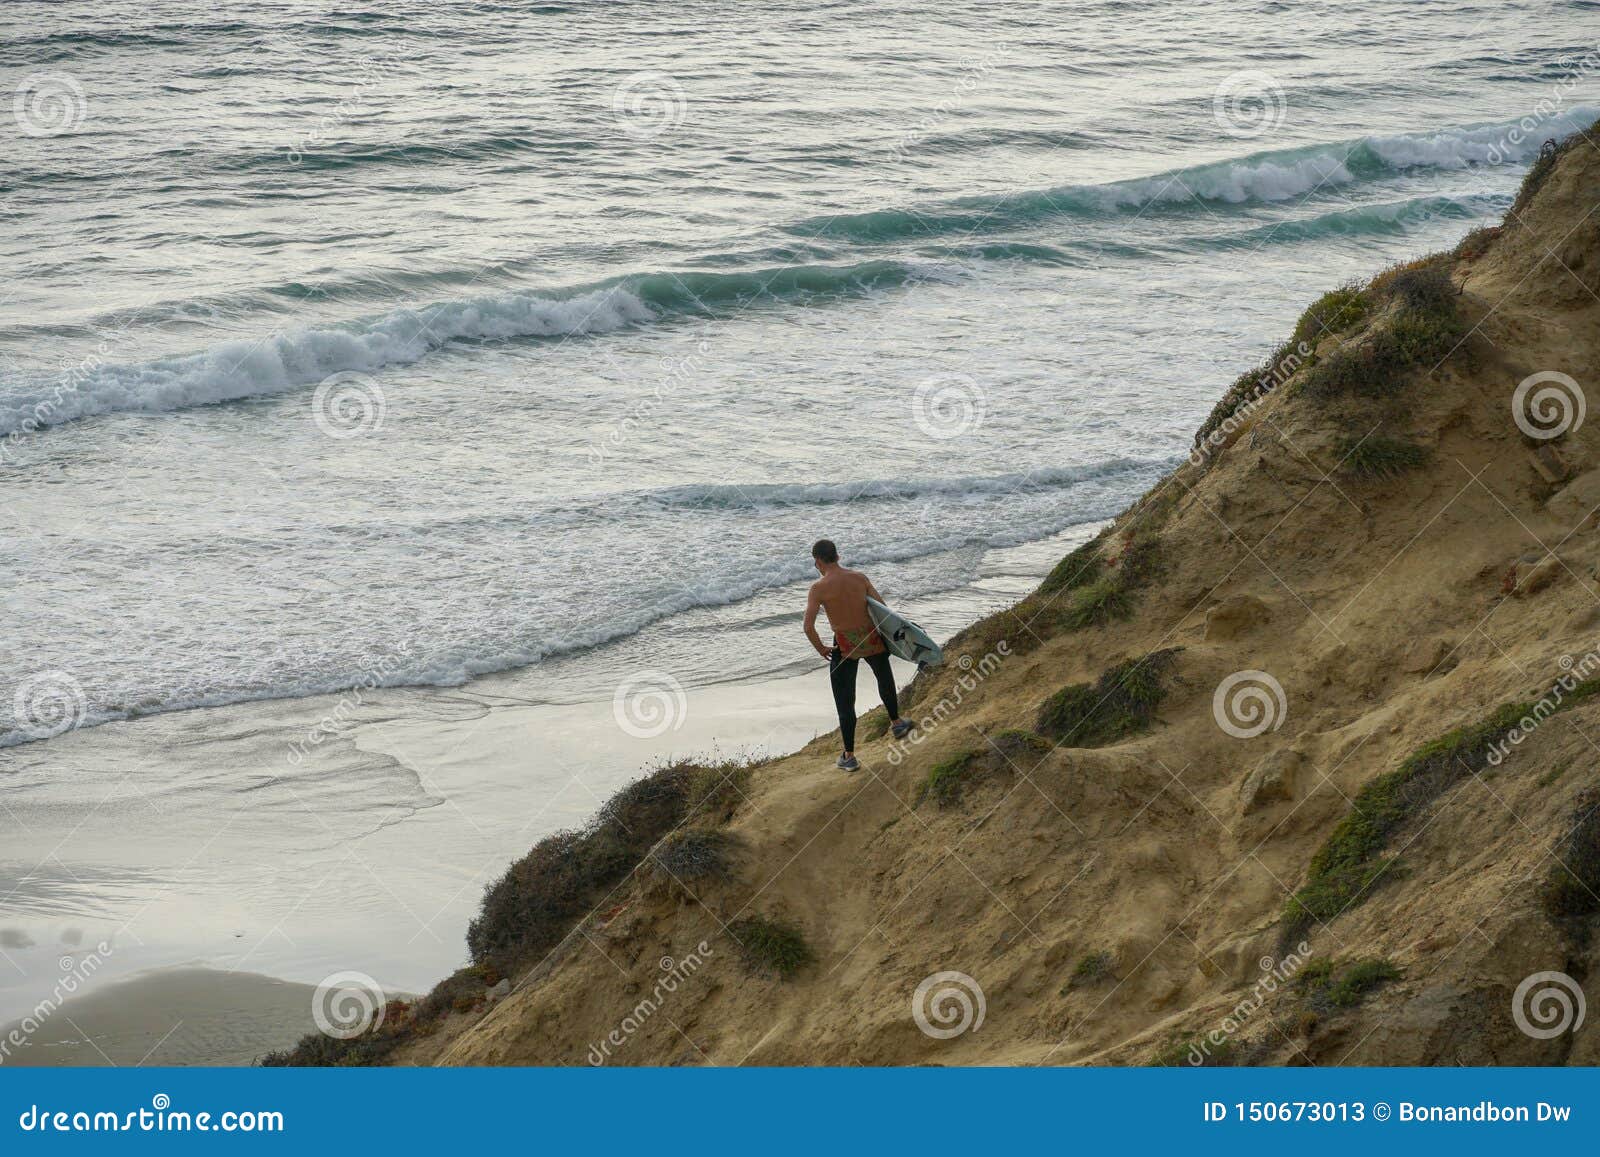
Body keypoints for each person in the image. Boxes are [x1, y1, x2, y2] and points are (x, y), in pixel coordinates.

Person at [802, 539, 913, 771]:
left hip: (844, 644)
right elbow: (883, 610)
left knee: (845, 699)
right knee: (884, 678)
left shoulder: (818, 588)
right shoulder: (860, 578)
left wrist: (821, 648)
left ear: (818, 561)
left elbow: (808, 627)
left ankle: (849, 756)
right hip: (870, 637)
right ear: (838, 556)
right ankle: (897, 723)